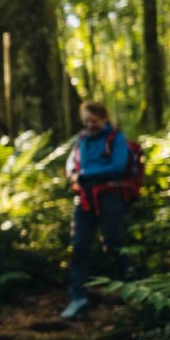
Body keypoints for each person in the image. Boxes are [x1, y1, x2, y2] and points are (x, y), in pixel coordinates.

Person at [62, 101, 131, 320]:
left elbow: (118, 166)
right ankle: (78, 298)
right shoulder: (81, 139)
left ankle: (131, 292)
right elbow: (72, 165)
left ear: (103, 119)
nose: (89, 125)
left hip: (110, 197)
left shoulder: (116, 139)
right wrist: (74, 174)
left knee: (114, 244)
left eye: (93, 121)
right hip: (84, 199)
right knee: (79, 246)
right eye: (86, 121)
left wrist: (86, 174)